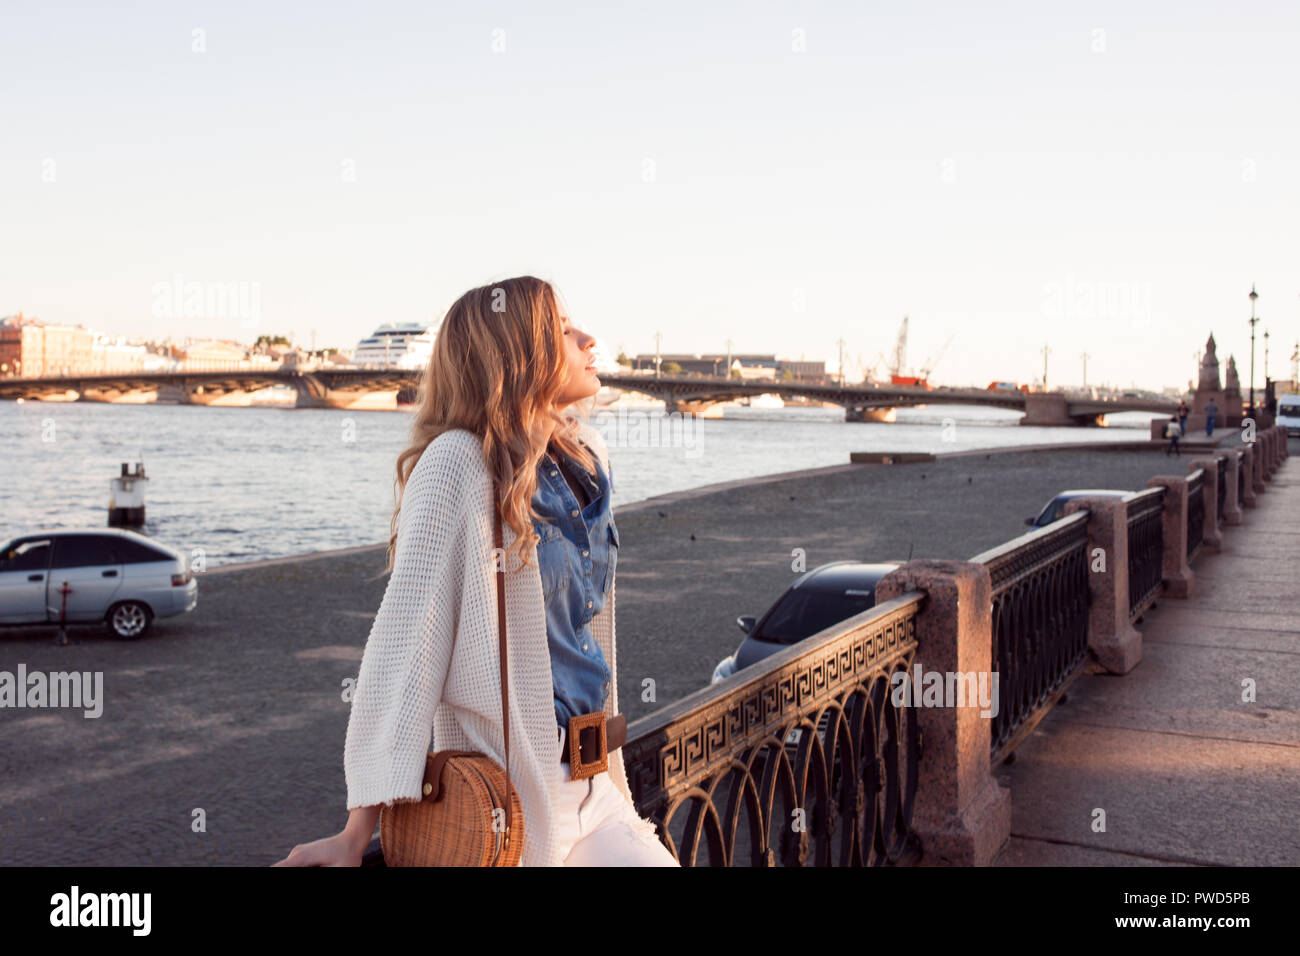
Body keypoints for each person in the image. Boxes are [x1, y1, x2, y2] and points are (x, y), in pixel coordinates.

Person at [274, 276, 678, 867]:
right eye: (564, 331)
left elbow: (582, 630)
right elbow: (407, 641)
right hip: (506, 808)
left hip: (600, 789)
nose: (589, 339)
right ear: (516, 354)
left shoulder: (585, 457)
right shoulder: (457, 463)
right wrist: (356, 833)